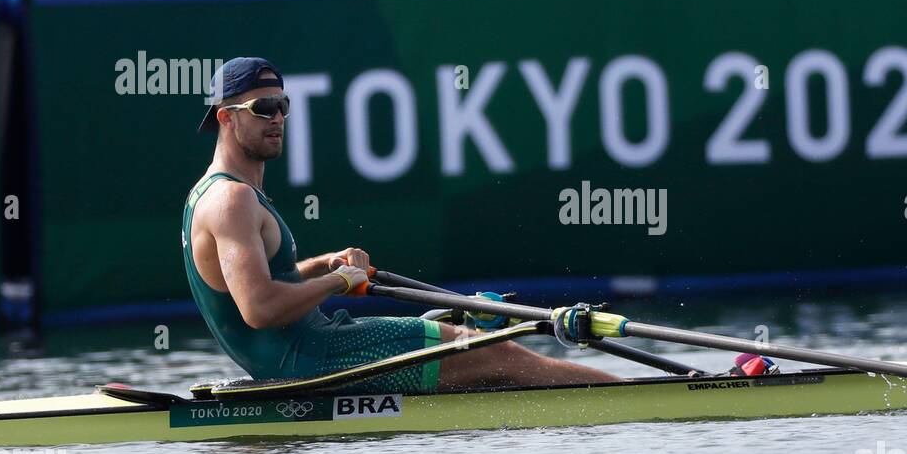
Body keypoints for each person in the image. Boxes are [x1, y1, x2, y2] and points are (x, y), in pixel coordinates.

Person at [181, 57, 620, 393]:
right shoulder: (231, 200)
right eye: (263, 108)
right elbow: (259, 309)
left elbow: (271, 281)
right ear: (226, 117)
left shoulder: (212, 195)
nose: (277, 118)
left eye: (282, 106)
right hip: (317, 358)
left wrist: (322, 266)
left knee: (483, 362)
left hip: (306, 353)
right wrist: (338, 282)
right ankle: (636, 401)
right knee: (497, 352)